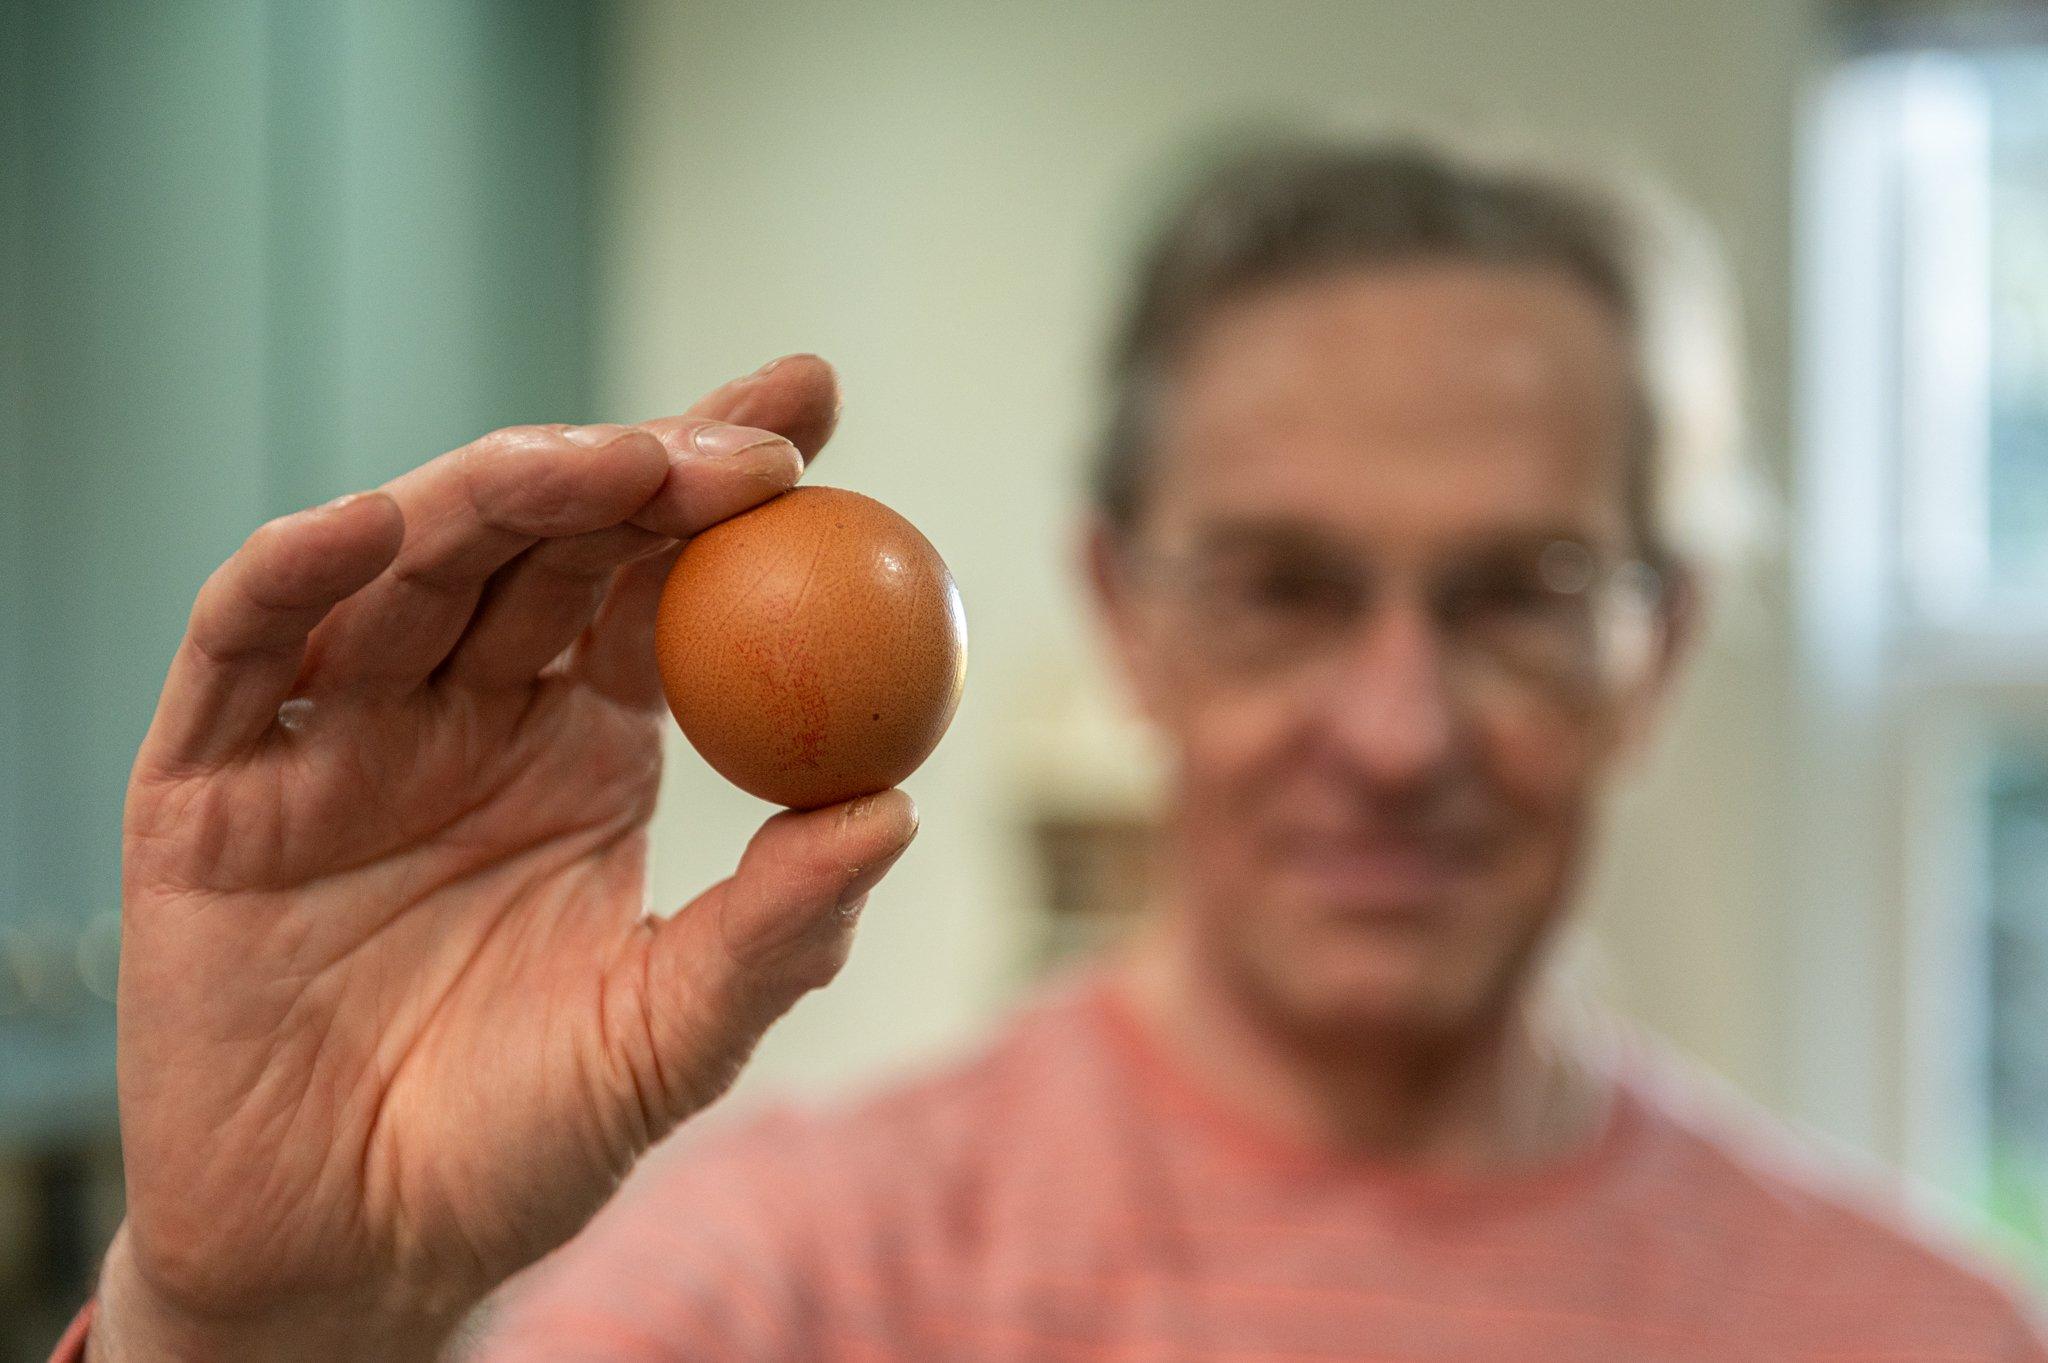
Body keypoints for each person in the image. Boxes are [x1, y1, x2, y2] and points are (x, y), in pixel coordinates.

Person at [54, 139, 2048, 1363]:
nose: (1395, 730)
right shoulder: (771, 1291)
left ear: (1659, 642)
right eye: (1278, 584)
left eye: (1518, 594)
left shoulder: (1923, 1336)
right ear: (1124, 608)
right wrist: (261, 1334)